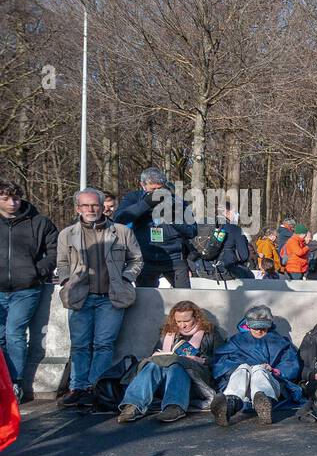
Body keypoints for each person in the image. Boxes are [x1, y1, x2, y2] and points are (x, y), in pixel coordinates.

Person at [55, 189, 143, 408]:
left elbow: (137, 260)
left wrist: (125, 278)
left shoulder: (121, 232)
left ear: (103, 206)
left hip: (111, 297)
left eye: (94, 205)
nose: (90, 209)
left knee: (104, 344)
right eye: (85, 205)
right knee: (79, 345)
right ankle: (78, 387)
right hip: (80, 296)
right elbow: (62, 263)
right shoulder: (67, 234)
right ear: (78, 208)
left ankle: (97, 387)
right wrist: (66, 282)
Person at [117, 301, 222, 423]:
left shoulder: (210, 332)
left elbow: (221, 358)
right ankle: (133, 406)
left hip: (195, 377)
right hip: (164, 378)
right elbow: (157, 354)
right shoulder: (168, 333)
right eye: (178, 322)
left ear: (196, 317)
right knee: (152, 365)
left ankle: (174, 406)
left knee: (177, 365)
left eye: (186, 321)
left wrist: (202, 360)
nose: (182, 325)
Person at [0, 180, 58, 401]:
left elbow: (54, 249)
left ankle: (15, 382)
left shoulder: (39, 222)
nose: (12, 203)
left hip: (26, 288)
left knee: (14, 333)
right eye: (6, 198)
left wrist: (38, 271)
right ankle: (3, 382)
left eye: (15, 198)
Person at [210, 304, 302, 426]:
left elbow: (291, 363)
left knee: (259, 370)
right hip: (243, 383)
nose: (259, 331)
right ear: (248, 325)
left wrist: (275, 370)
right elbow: (220, 362)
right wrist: (242, 367)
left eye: (263, 328)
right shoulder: (236, 341)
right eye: (255, 328)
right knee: (243, 369)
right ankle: (230, 403)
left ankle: (264, 401)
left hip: (271, 381)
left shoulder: (280, 342)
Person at [113, 166, 195, 288]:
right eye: (153, 189)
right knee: (146, 300)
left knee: (184, 299)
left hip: (174, 258)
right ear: (143, 185)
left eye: (160, 189)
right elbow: (119, 219)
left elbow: (191, 231)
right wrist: (146, 204)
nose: (157, 193)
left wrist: (172, 217)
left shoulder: (177, 202)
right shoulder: (133, 198)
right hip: (145, 258)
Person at [191, 204, 252, 280]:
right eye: (235, 212)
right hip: (225, 272)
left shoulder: (202, 226)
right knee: (250, 275)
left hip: (202, 270)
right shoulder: (235, 229)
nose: (237, 215)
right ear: (227, 212)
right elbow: (244, 256)